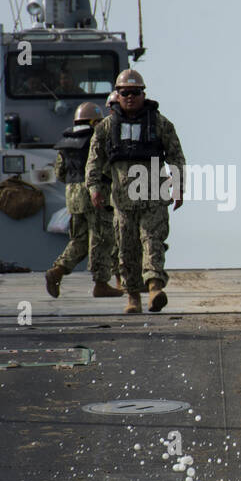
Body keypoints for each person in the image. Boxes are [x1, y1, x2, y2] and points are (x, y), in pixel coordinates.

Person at [84, 69, 186, 314]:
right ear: (117, 95)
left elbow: (176, 156)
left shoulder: (160, 124)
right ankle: (132, 297)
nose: (130, 97)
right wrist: (95, 188)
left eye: (135, 92)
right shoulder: (106, 128)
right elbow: (94, 161)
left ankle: (154, 288)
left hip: (154, 196)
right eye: (124, 92)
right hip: (122, 200)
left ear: (143, 94)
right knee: (126, 249)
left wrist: (179, 186)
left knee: (153, 242)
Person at [44, 102, 123, 299]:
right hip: (96, 193)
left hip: (73, 195)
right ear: (95, 121)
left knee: (79, 239)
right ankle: (101, 284)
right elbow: (105, 166)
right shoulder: (98, 137)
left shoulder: (66, 140)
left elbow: (60, 172)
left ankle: (58, 270)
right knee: (101, 238)